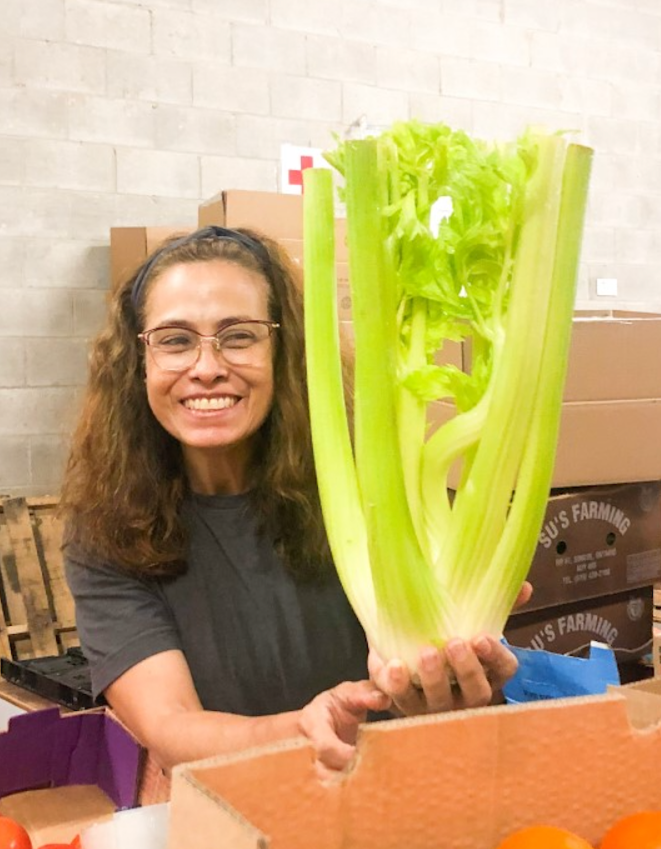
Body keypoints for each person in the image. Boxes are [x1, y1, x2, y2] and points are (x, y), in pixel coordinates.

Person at [59, 225, 521, 775]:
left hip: (405, 790)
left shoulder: (377, 496)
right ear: (137, 363)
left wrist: (449, 663)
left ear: (287, 352)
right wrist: (307, 727)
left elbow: (450, 677)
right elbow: (170, 724)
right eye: (175, 340)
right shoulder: (109, 528)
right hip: (237, 815)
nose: (206, 367)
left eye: (239, 336)